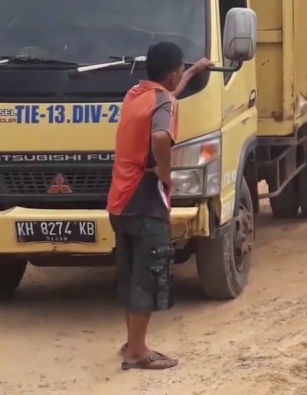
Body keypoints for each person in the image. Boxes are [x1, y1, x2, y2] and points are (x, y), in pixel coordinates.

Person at [106, 41, 211, 371]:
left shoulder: (137, 94)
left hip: (120, 201)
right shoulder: (162, 103)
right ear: (172, 73)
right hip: (145, 199)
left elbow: (168, 97)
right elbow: (161, 136)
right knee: (147, 277)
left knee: (129, 274)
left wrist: (194, 72)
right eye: (181, 70)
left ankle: (132, 341)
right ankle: (137, 352)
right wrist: (165, 174)